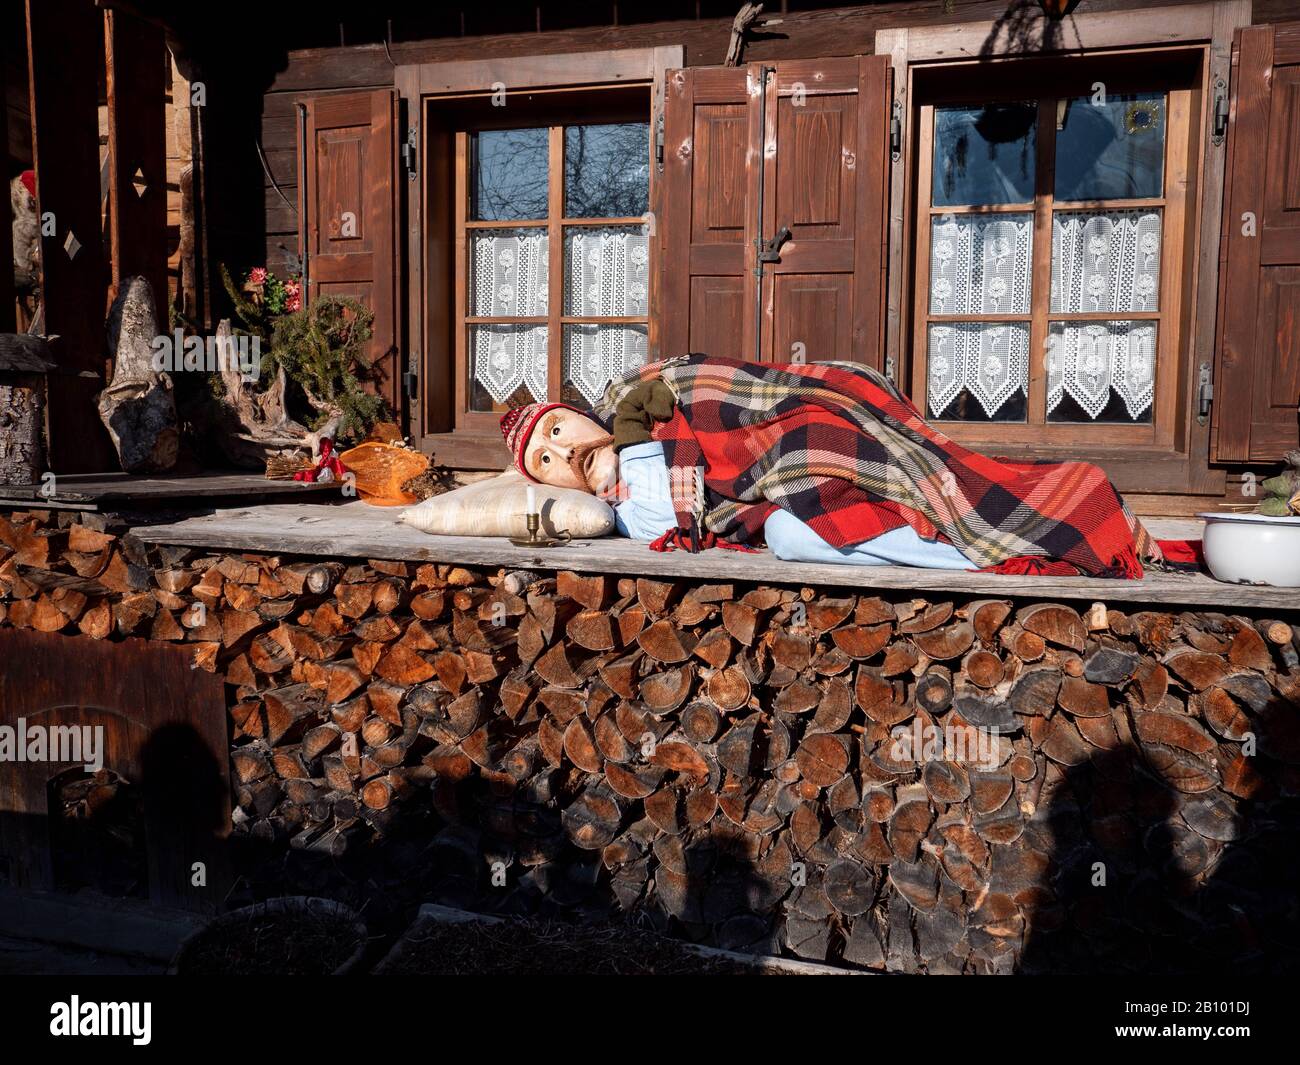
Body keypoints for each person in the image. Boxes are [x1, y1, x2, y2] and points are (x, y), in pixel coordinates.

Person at [499, 354, 1162, 577]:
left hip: (800, 431)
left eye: (558, 427)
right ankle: (984, 552)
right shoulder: (610, 510)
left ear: (582, 411)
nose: (566, 452)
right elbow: (700, 514)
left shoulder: (639, 398)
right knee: (791, 537)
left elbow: (730, 397)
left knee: (847, 443)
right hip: (785, 499)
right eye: (546, 460)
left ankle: (1031, 520)